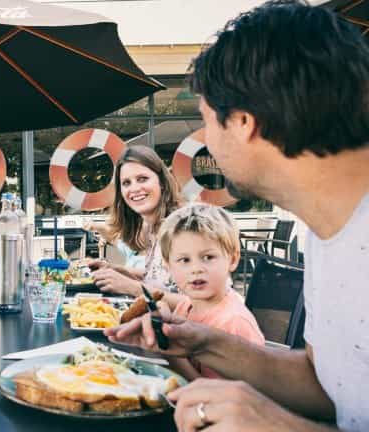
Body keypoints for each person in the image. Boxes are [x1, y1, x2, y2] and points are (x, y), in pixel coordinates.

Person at [106, 1, 369, 430]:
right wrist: (205, 342)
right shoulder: (324, 235)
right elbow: (326, 385)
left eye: (208, 122)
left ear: (244, 122)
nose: (208, 141)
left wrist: (281, 427)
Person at [157, 203, 264, 381]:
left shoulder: (233, 323)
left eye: (208, 257)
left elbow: (217, 396)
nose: (196, 269)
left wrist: (168, 351)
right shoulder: (186, 305)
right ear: (168, 266)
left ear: (233, 259)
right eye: (184, 260)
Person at [87, 146, 184, 304]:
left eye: (142, 179)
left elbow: (194, 305)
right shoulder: (152, 227)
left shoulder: (182, 229)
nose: (134, 189)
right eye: (126, 183)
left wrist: (132, 287)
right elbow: (160, 279)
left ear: (162, 183)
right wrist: (117, 270)